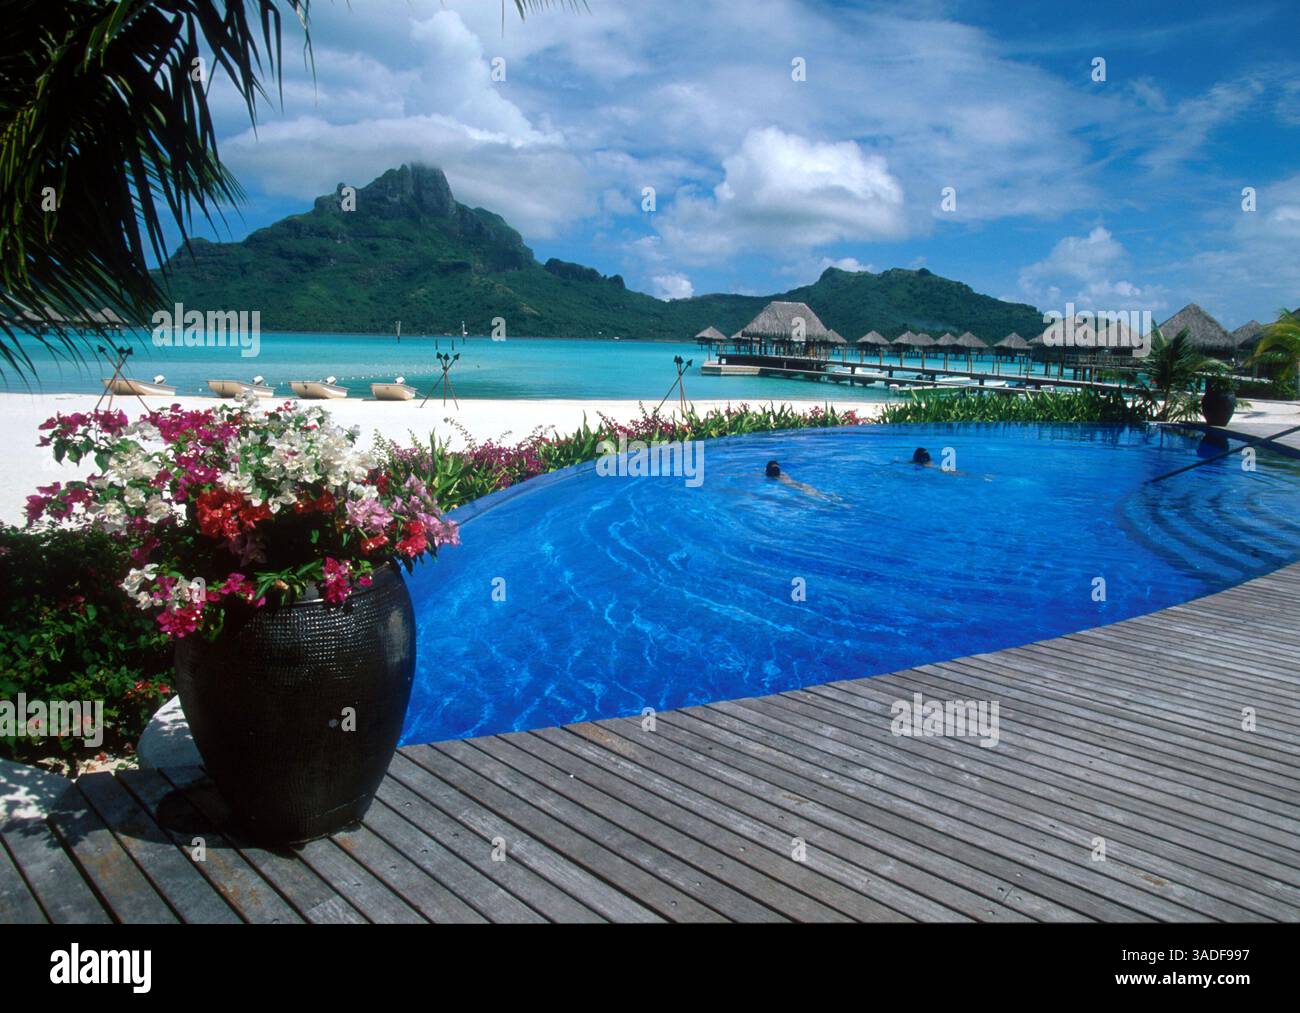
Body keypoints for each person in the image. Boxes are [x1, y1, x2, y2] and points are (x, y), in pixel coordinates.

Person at [765, 460, 834, 500]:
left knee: (812, 495)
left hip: (791, 485)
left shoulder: (771, 476)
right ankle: (828, 496)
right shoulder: (783, 473)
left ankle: (826, 498)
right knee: (814, 491)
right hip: (799, 483)